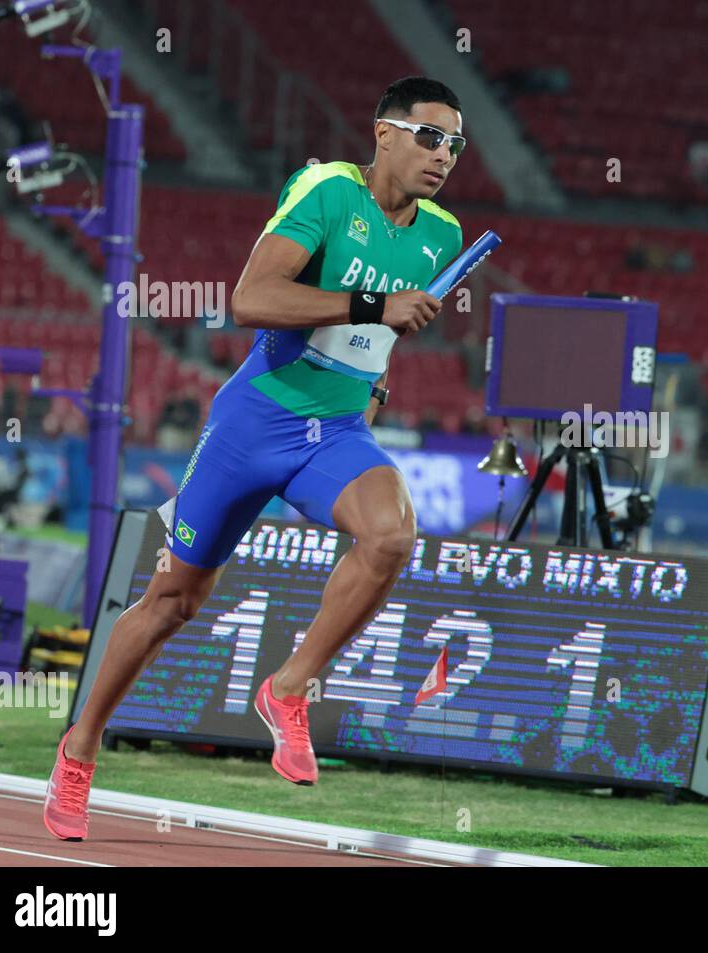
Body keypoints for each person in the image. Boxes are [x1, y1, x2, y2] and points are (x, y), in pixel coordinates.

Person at [43, 76, 466, 842]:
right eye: (430, 137)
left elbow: (374, 338)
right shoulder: (327, 190)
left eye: (455, 145)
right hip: (253, 424)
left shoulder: (442, 235)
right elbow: (251, 299)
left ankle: (290, 686)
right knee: (174, 601)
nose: (444, 156)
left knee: (392, 534)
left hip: (336, 433)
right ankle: (78, 751)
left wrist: (374, 371)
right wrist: (376, 308)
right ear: (384, 133)